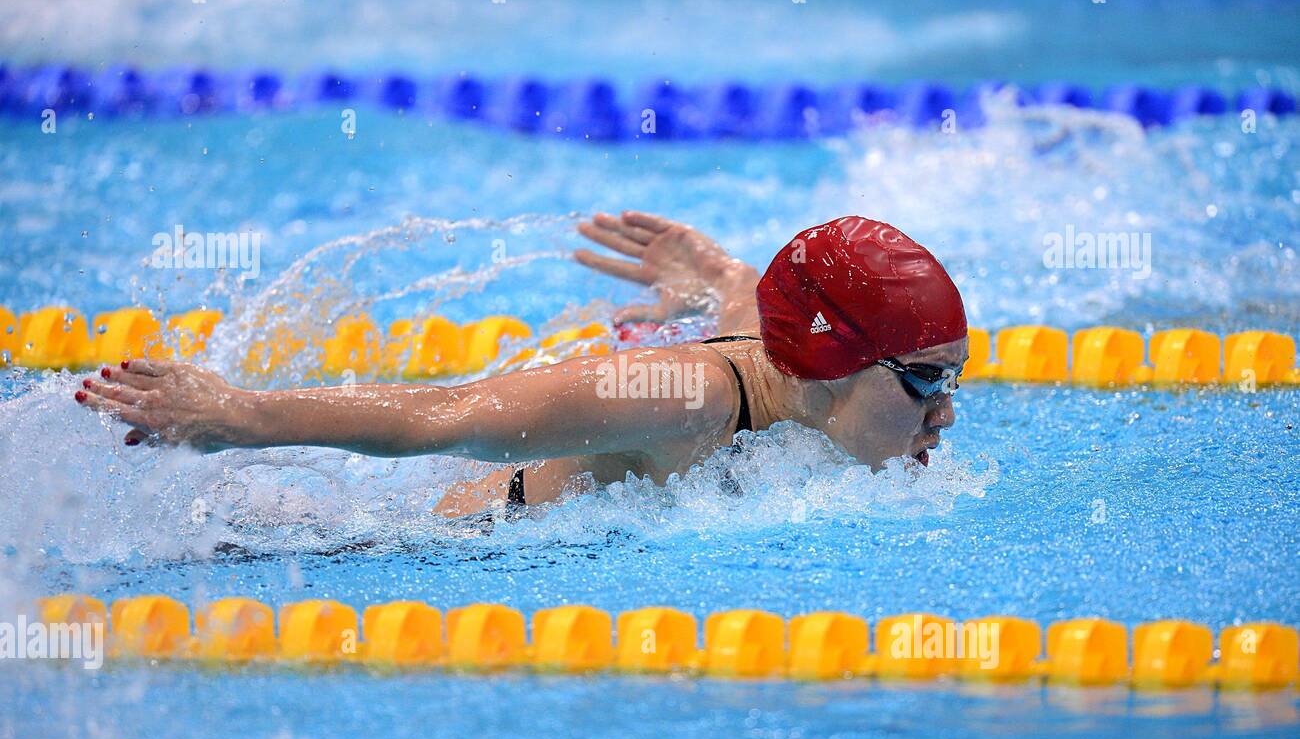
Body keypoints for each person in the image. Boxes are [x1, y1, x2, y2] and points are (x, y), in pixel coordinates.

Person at [75, 212, 969, 517]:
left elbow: (753, 308)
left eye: (954, 377)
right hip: (424, 544)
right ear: (833, 366)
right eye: (926, 380)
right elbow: (458, 416)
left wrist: (720, 275)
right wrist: (240, 416)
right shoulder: (691, 398)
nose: (947, 413)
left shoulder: (795, 375)